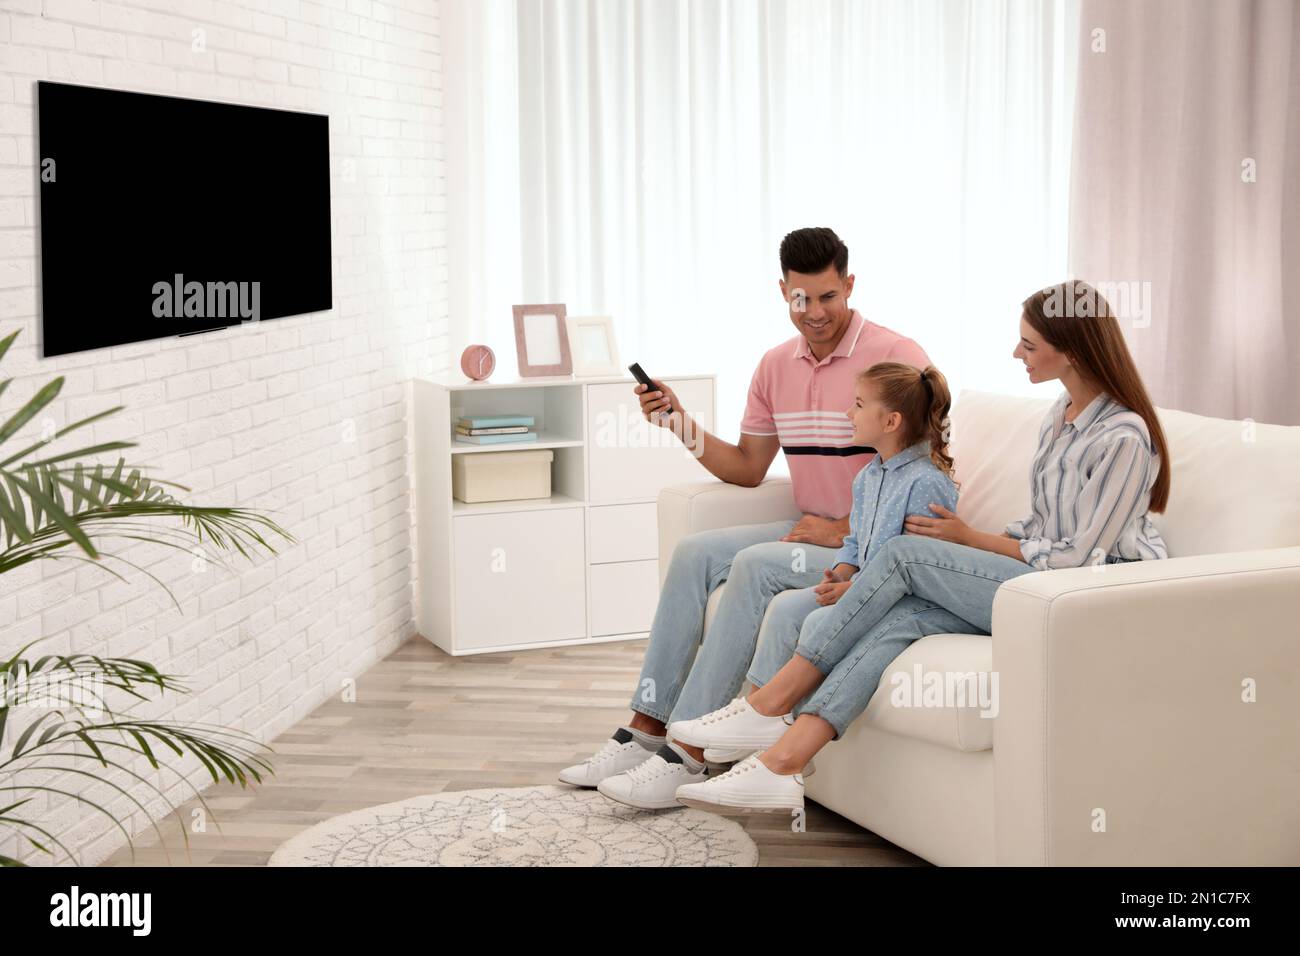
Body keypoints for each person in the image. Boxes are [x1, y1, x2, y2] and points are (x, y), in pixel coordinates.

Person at [673, 279, 1172, 814]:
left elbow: (1079, 558)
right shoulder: (1061, 415)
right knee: (899, 618)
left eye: (1028, 345)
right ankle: (781, 765)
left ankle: (768, 704)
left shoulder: (1123, 437)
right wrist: (976, 551)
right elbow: (1041, 524)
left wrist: (969, 541)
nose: (1016, 353)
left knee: (903, 555)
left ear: (1070, 351)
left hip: (1085, 595)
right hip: (1034, 581)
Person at [557, 227, 932, 810]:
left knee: (755, 566)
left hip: (864, 545)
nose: (814, 312)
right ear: (783, 291)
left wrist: (844, 530)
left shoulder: (897, 357)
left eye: (828, 297)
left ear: (850, 286)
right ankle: (645, 728)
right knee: (695, 551)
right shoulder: (775, 366)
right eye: (801, 298)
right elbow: (748, 467)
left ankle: (684, 757)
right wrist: (678, 423)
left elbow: (931, 474)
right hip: (809, 530)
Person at [669, 361, 959, 765]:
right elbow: (855, 542)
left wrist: (854, 589)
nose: (848, 413)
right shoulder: (869, 476)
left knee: (803, 615)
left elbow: (920, 566)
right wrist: (840, 572)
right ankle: (754, 716)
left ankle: (757, 719)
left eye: (859, 405)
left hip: (893, 599)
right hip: (860, 589)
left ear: (891, 421)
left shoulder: (926, 482)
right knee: (787, 608)